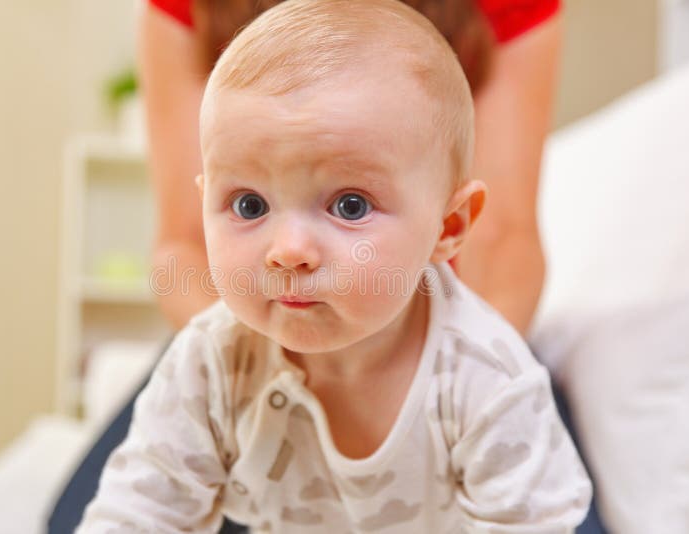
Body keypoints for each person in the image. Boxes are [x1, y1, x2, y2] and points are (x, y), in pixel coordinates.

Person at [74, 1, 591, 531]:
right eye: (249, 204)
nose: (289, 249)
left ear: (450, 225)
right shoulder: (210, 362)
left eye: (350, 205)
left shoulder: (488, 378)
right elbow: (138, 511)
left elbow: (530, 521)